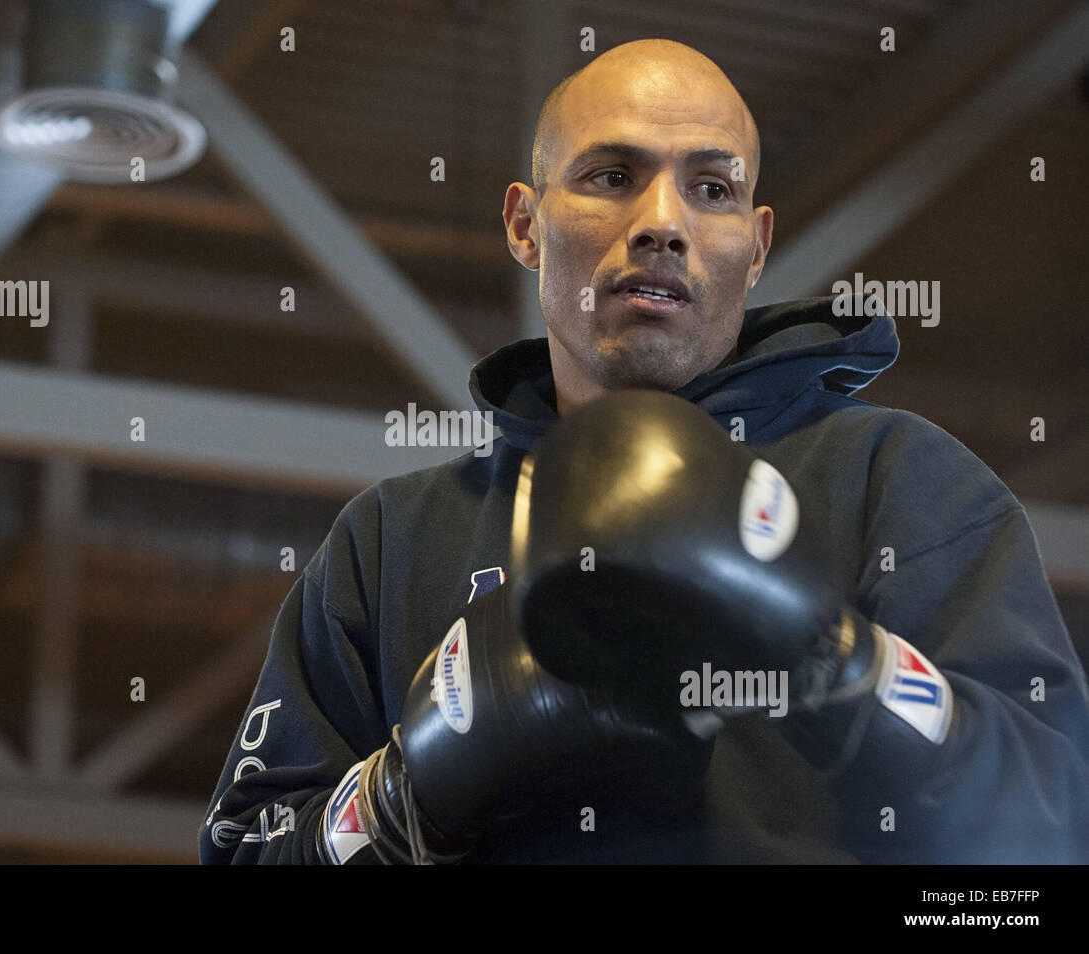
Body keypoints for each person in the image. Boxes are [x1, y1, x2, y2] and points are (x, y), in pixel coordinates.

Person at [198, 39, 1089, 864]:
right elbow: (247, 848)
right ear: (524, 223)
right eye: (613, 175)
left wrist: (838, 666)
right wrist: (403, 797)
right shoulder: (390, 542)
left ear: (757, 245)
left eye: (712, 190)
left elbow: (1055, 824)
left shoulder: (897, 482)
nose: (662, 222)